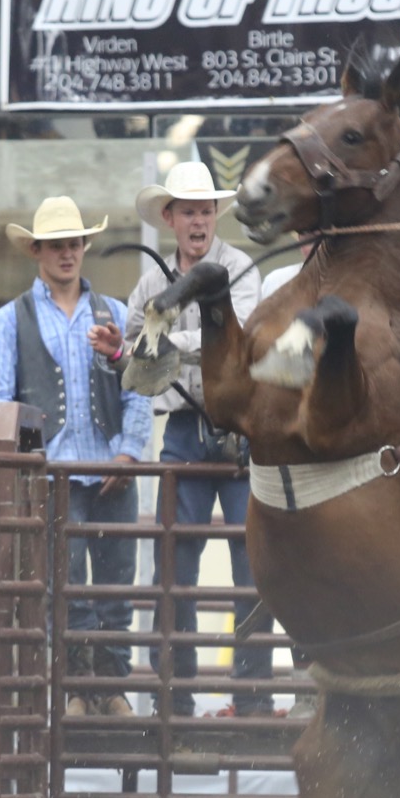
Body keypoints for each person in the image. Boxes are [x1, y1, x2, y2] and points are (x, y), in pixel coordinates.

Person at [114, 161, 272, 717]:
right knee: (172, 566)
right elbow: (135, 344)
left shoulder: (238, 268)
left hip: (237, 426)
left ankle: (250, 697)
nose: (199, 220)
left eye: (206, 210)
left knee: (252, 563)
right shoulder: (152, 280)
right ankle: (174, 697)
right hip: (184, 424)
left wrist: (163, 341)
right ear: (171, 218)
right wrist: (155, 343)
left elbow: (237, 337)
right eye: (189, 211)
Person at [0, 196, 151, 717]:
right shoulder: (11, 319)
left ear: (84, 248)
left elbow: (139, 389)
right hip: (53, 475)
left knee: (116, 587)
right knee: (69, 588)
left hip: (108, 468)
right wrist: (28, 466)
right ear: (38, 251)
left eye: (74, 244)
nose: (67, 253)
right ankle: (80, 686)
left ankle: (109, 686)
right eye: (57, 245)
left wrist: (128, 454)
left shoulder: (117, 315)